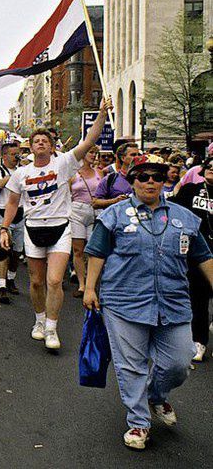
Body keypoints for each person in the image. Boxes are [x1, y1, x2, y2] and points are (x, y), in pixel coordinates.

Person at [84, 157, 213, 450]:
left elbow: (204, 257)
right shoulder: (114, 215)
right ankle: (138, 423)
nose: (150, 181)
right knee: (132, 366)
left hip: (174, 303)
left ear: (166, 180)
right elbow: (97, 253)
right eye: (143, 176)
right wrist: (90, 288)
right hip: (124, 302)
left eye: (157, 176)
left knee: (179, 362)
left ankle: (156, 395)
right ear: (133, 181)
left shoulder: (185, 218)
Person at [0, 97, 111, 349]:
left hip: (60, 227)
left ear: (51, 147)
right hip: (33, 229)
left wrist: (102, 115)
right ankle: (39, 320)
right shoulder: (21, 173)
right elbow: (12, 203)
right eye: (36, 141)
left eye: (45, 141)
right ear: (30, 147)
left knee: (54, 281)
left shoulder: (63, 163)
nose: (40, 144)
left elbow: (89, 141)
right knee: (37, 282)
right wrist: (5, 228)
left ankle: (51, 327)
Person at [167, 155, 213, 362]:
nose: (212, 168)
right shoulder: (190, 190)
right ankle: (199, 340)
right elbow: (173, 212)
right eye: (209, 165)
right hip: (197, 253)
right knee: (199, 298)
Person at [0, 140, 24, 303]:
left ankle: (11, 278)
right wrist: (15, 174)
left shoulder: (23, 170)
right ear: (4, 156)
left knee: (17, 252)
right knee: (3, 250)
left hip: (21, 213)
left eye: (17, 154)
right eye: (13, 154)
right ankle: (2, 285)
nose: (16, 157)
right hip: (3, 213)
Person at [69, 145, 101, 298]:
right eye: (91, 152)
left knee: (92, 250)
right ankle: (82, 285)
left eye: (96, 153)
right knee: (78, 250)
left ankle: (91, 283)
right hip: (77, 211)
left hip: (95, 212)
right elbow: (66, 194)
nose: (94, 155)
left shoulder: (99, 173)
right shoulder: (73, 174)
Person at [92, 141, 139, 211]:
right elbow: (95, 203)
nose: (137, 157)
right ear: (123, 158)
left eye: (139, 155)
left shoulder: (147, 179)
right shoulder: (110, 179)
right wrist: (115, 201)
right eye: (133, 155)